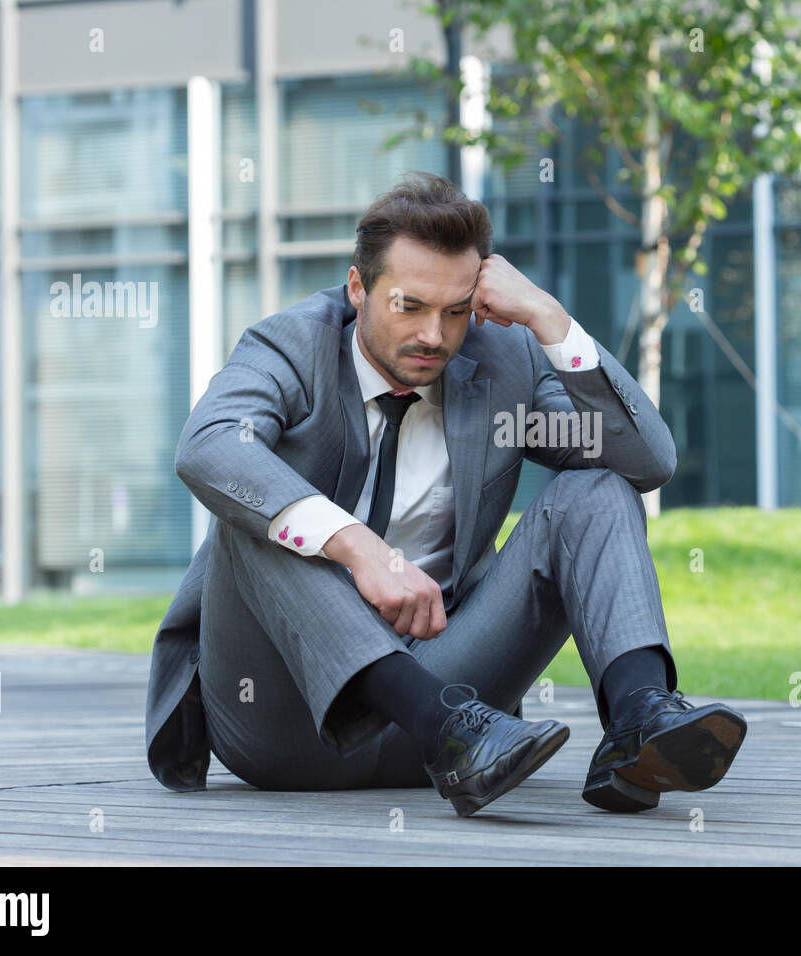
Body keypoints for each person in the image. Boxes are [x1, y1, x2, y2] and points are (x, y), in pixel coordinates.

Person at [145, 170, 746, 817]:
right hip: (285, 725)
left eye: (455, 310)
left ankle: (637, 722)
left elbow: (646, 458)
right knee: (256, 515)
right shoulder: (292, 347)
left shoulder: (499, 361)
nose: (434, 334)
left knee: (597, 489)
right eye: (410, 305)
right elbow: (209, 447)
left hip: (464, 717)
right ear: (357, 288)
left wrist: (551, 320)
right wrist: (356, 548)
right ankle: (443, 724)